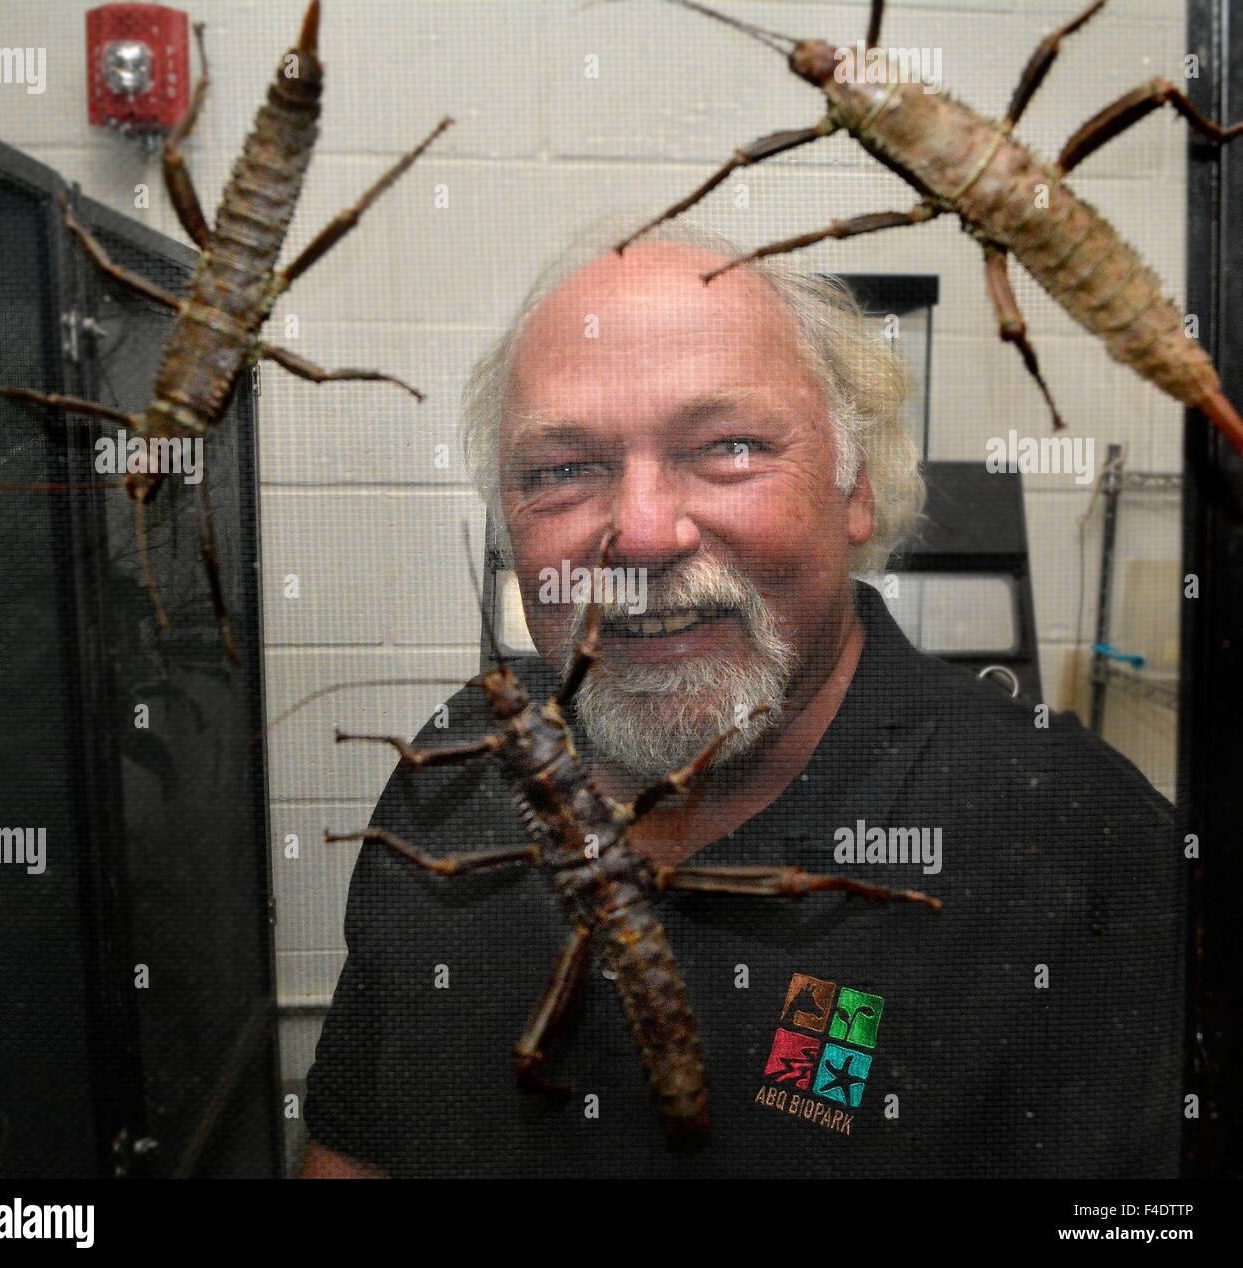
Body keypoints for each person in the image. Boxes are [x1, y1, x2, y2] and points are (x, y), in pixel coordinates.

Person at [299, 217, 1181, 1179]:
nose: (638, 536)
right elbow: (356, 1148)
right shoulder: (455, 765)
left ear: (856, 491)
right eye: (562, 470)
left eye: (728, 446)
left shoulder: (1079, 839)